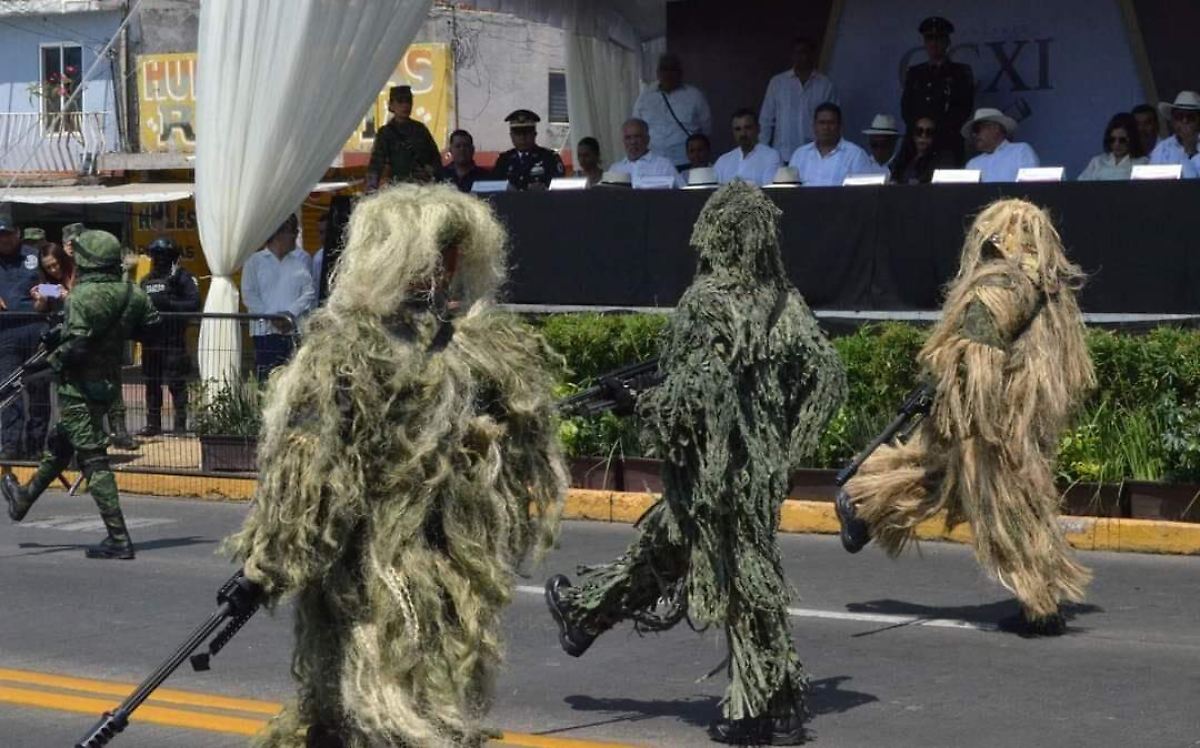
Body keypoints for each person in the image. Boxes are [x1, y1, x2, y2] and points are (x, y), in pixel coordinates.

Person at [224, 184, 567, 747]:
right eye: (443, 249)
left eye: (454, 249)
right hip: (429, 580)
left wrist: (266, 566)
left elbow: (306, 492)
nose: (449, 263)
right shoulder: (483, 352)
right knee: (410, 709)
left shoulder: (353, 351)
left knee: (369, 713)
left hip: (380, 584)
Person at [545, 180, 846, 746]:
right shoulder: (786, 302)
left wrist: (643, 406)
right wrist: (781, 443)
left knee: (741, 579)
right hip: (750, 474)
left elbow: (694, 395)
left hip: (715, 476)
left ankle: (758, 708)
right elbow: (826, 377)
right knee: (670, 542)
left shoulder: (706, 301)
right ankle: (586, 613)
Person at [835, 198, 1095, 637]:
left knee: (1000, 503)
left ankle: (1040, 603)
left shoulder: (1000, 285)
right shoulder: (1050, 290)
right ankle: (868, 508)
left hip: (993, 416)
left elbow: (978, 354)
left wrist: (949, 390)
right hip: (1020, 416)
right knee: (961, 479)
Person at [2, 230, 160, 560]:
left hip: (77, 388)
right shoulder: (133, 294)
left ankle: (118, 538)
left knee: (93, 459)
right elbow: (151, 328)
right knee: (61, 446)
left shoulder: (81, 297)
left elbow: (76, 346)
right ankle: (23, 499)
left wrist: (48, 364)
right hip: (107, 384)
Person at [137, 238, 200, 436]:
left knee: (176, 382)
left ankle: (180, 425)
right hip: (151, 341)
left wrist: (171, 305)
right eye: (157, 256)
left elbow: (194, 303)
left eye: (164, 256)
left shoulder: (182, 277)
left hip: (173, 340)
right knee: (152, 383)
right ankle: (153, 424)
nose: (160, 260)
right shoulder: (146, 281)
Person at [240, 215, 316, 380]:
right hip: (264, 333)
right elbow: (249, 294)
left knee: (293, 381)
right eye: (293, 232)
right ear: (278, 234)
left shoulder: (300, 261)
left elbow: (309, 292)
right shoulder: (254, 262)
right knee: (267, 381)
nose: (296, 236)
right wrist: (272, 317)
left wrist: (290, 314)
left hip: (293, 331)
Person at [0, 214, 47, 461]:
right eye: (0, 235)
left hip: (35, 328)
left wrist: (44, 295)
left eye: (7, 234)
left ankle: (37, 444)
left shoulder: (33, 256)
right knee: (8, 390)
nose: (4, 239)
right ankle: (11, 444)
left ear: (17, 233)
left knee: (38, 388)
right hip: (5, 332)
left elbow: (56, 286)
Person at [901, 16, 975, 162]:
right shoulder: (915, 73)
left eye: (938, 38)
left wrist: (935, 130)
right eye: (929, 39)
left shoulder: (960, 72)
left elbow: (963, 108)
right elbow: (906, 108)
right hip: (916, 143)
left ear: (947, 42)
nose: (933, 43)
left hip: (947, 142)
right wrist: (921, 132)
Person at [759, 37, 838, 160]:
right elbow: (766, 120)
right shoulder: (778, 83)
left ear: (813, 54)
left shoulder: (825, 84)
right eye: (798, 53)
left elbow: (833, 121)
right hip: (783, 155)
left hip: (815, 156)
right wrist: (762, 153)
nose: (803, 57)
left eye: (806, 52)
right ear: (792, 55)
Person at [632, 53, 713, 169]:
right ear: (658, 72)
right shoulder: (645, 97)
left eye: (672, 69)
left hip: (686, 162)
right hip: (655, 163)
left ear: (680, 73)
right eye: (664, 69)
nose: (668, 74)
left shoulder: (695, 96)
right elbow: (636, 128)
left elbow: (706, 130)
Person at [365, 85, 441, 191]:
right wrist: (371, 189)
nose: (405, 105)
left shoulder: (420, 130)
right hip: (395, 188)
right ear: (391, 105)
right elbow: (376, 165)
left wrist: (430, 172)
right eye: (400, 101)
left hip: (421, 188)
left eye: (408, 101)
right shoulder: (385, 133)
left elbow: (435, 159)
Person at [787, 102, 875, 186]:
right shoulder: (800, 155)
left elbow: (864, 193)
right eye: (822, 123)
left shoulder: (855, 155)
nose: (826, 127)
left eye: (831, 123)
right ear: (814, 126)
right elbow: (788, 191)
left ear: (840, 126)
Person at [491, 109, 566, 191]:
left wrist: (544, 189)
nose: (522, 138)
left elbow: (559, 188)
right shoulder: (503, 160)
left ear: (535, 134)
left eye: (527, 133)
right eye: (518, 133)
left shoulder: (549, 158)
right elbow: (494, 187)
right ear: (511, 136)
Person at [963, 108, 1039, 182]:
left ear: (995, 128)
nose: (974, 135)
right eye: (973, 131)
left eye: (977, 129)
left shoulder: (1020, 151)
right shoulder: (972, 164)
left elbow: (1030, 187)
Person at [713, 108, 782, 186]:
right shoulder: (723, 161)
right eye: (738, 129)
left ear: (758, 128)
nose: (743, 134)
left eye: (747, 128)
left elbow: (770, 192)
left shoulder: (771, 156)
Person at [608, 118, 685, 188]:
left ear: (647, 139)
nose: (633, 142)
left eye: (637, 137)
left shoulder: (663, 165)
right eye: (628, 138)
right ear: (623, 141)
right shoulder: (615, 169)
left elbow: (683, 193)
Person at [1078, 112, 1148, 181]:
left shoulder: (1142, 163)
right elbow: (1081, 186)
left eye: (1122, 140)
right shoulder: (1097, 162)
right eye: (1112, 139)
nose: (1116, 144)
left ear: (1133, 139)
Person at [890, 115, 958, 184]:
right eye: (919, 131)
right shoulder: (903, 158)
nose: (923, 135)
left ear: (935, 136)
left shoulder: (943, 159)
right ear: (913, 135)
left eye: (929, 132)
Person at [1149, 91, 1200, 179]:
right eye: (1179, 116)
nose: (1185, 121)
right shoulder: (1162, 148)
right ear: (1173, 121)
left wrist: (1192, 152)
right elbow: (1152, 181)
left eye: (1190, 117)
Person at [439, 129, 490, 193]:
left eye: (466, 146)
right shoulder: (440, 175)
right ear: (450, 150)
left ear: (472, 149)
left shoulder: (486, 177)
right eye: (458, 146)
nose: (462, 149)